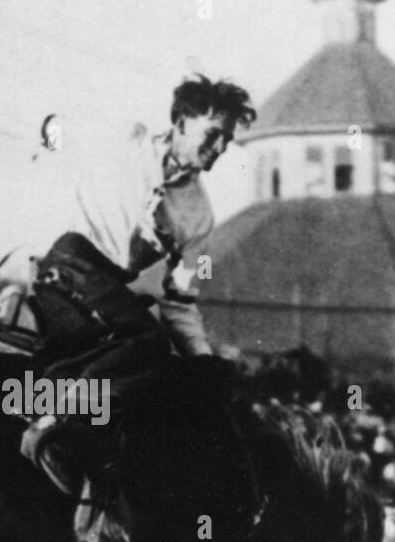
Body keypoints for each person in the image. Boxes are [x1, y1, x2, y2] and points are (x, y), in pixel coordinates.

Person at [13, 75, 257, 495]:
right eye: (213, 135)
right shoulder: (125, 140)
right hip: (69, 265)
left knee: (170, 371)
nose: (219, 149)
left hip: (108, 292)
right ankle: (51, 420)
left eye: (227, 141)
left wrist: (202, 359)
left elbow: (181, 298)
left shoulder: (199, 216)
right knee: (146, 340)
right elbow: (51, 128)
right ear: (181, 122)